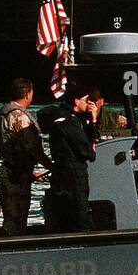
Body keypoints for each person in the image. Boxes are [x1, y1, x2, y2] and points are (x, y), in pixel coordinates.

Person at [0, 78, 52, 236]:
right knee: (16, 219)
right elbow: (32, 147)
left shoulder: (4, 112)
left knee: (12, 216)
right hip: (16, 177)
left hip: (12, 171)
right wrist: (51, 166)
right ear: (28, 94)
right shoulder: (20, 116)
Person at [46, 87, 96, 231]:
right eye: (86, 100)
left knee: (66, 215)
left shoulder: (61, 118)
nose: (88, 104)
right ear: (76, 101)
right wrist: (91, 150)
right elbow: (85, 151)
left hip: (61, 173)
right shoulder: (69, 121)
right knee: (80, 215)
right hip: (74, 175)